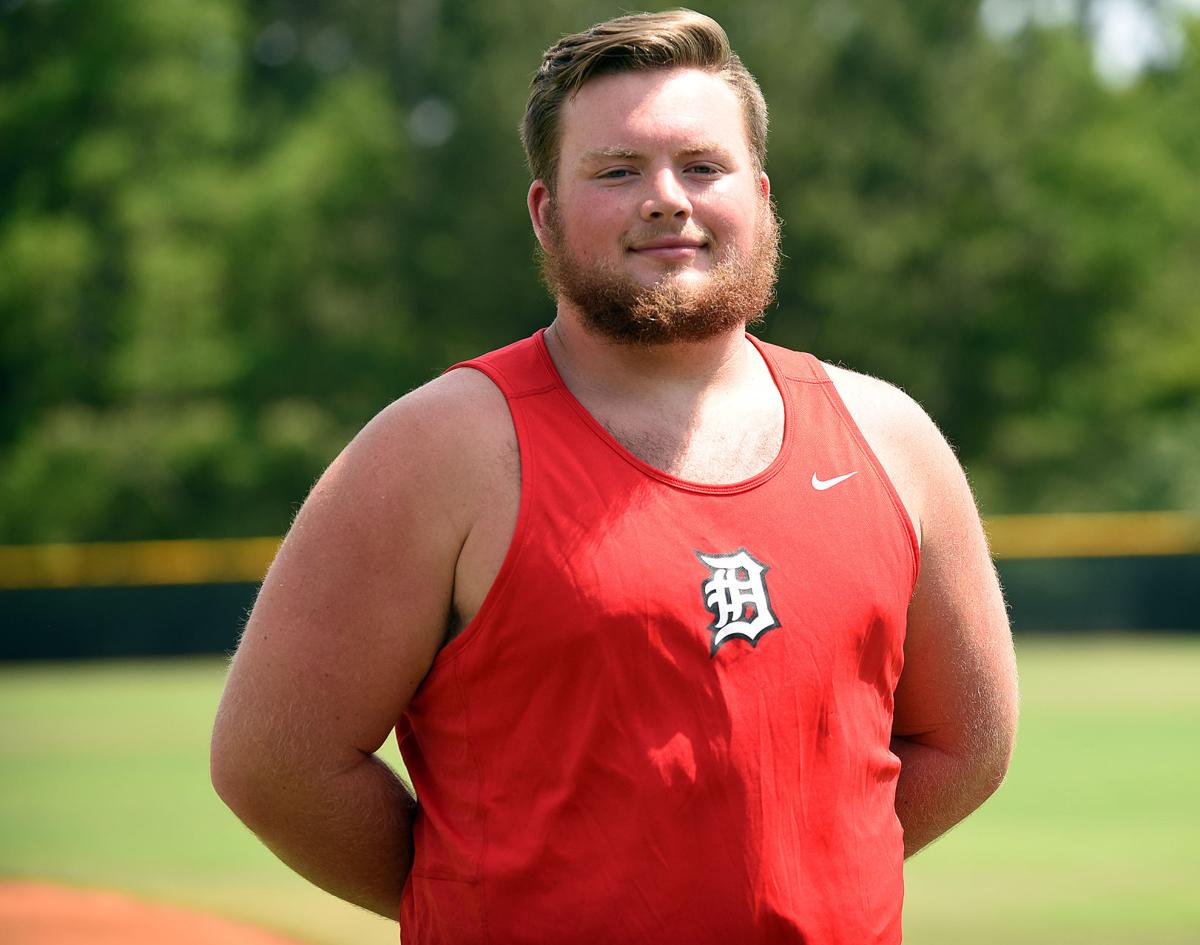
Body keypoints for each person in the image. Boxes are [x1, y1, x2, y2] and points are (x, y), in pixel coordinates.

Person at [210, 10, 1018, 943]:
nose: (666, 198)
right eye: (618, 171)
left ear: (759, 197)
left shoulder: (890, 437)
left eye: (702, 167)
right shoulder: (439, 449)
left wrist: (800, 878)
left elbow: (967, 743)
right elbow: (276, 764)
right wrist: (493, 895)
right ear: (546, 211)